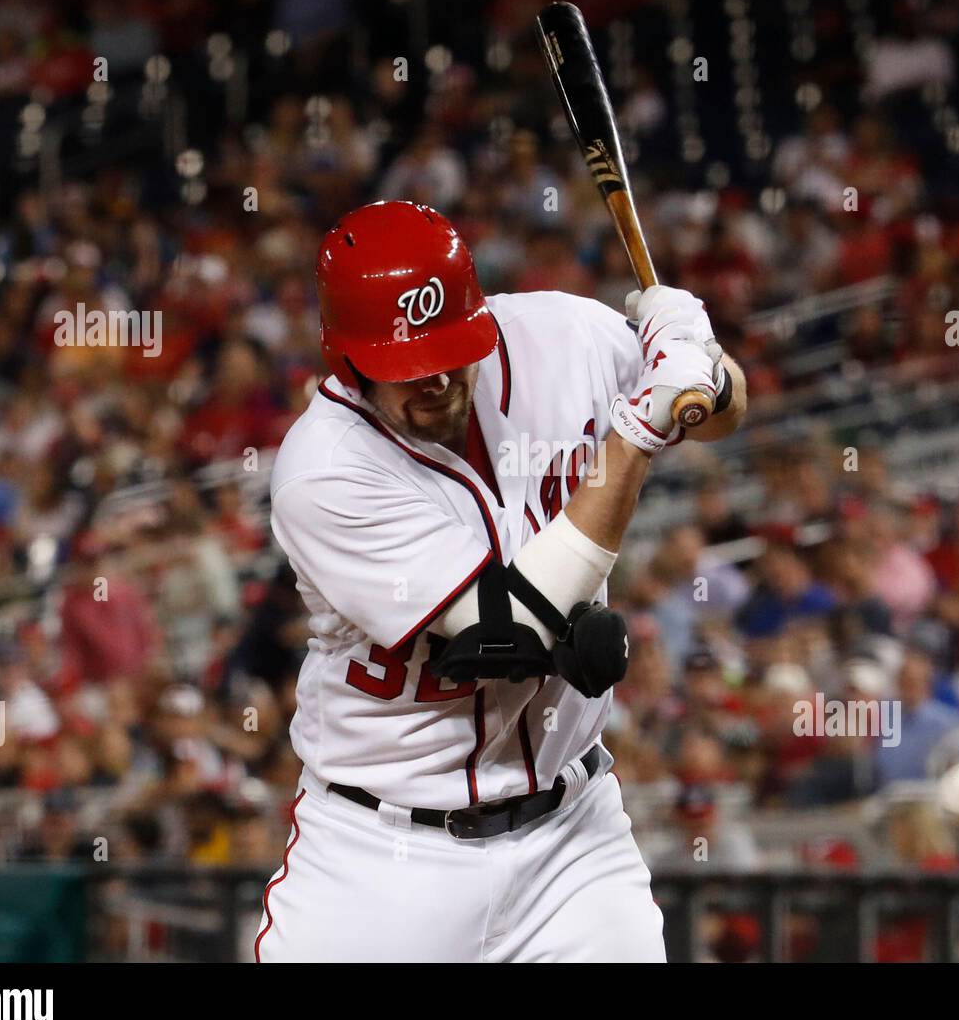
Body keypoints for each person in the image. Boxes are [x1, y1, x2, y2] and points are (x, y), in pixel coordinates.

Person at [255, 201, 747, 962]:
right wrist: (638, 433)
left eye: (455, 351)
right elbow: (512, 630)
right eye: (410, 369)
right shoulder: (324, 469)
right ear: (347, 362)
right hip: (384, 861)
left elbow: (720, 413)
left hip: (572, 838)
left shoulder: (563, 337)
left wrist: (694, 352)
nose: (441, 382)